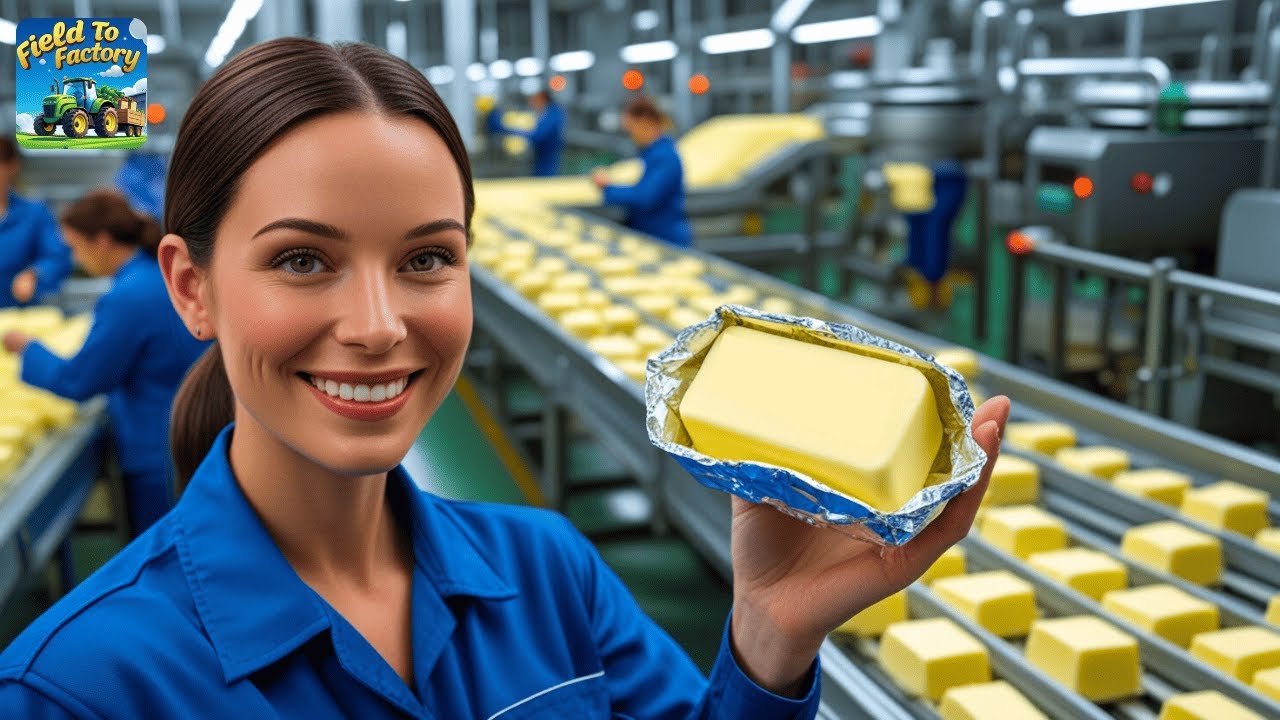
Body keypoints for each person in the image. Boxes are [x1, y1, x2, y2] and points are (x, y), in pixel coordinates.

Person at [0, 38, 1010, 718]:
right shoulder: (79, 688)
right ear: (192, 288)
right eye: (303, 259)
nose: (378, 325)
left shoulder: (547, 573)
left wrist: (764, 643)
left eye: (427, 258)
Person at [1, 189, 210, 537]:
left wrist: (27, 348)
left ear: (100, 241)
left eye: (75, 247)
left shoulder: (127, 297)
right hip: (191, 434)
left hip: (159, 451)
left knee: (169, 555)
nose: (77, 259)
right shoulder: (155, 276)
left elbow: (79, 381)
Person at [593, 95, 694, 248]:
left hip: (666, 239)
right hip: (652, 235)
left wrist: (608, 187)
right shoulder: (651, 154)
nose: (632, 136)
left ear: (646, 122)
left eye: (632, 129)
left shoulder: (665, 157)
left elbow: (646, 197)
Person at [0, 136, 73, 307]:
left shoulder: (34, 213)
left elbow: (58, 258)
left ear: (13, 166)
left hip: (19, 316)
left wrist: (35, 274)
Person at [488, 89, 566, 177]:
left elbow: (538, 135)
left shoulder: (553, 114)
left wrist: (508, 129)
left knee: (546, 180)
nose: (531, 103)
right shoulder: (548, 113)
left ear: (543, 98)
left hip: (548, 161)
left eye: (534, 100)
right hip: (541, 159)